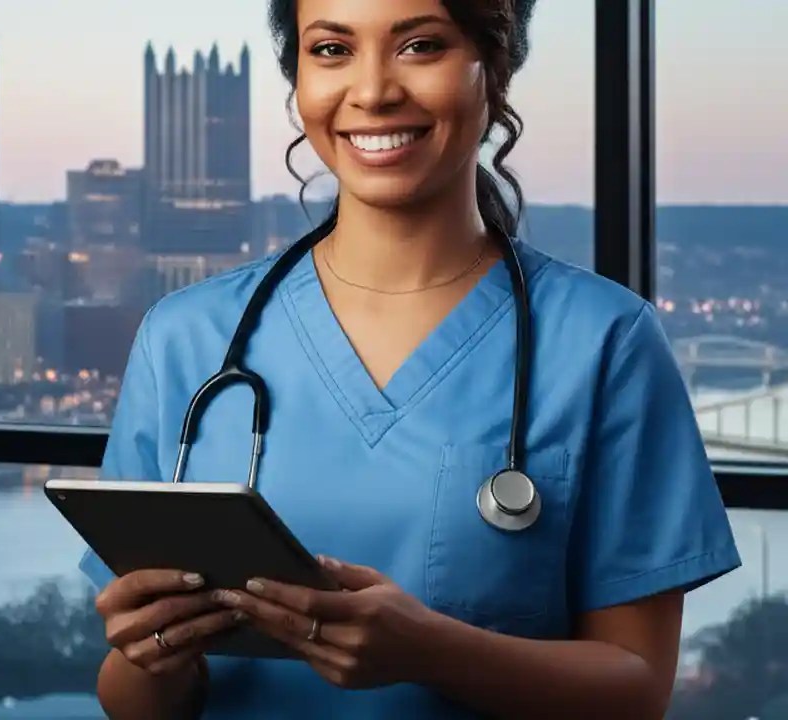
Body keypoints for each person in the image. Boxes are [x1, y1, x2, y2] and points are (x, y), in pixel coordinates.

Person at [77, 0, 743, 717]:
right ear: (296, 79)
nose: (373, 91)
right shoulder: (185, 339)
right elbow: (130, 701)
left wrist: (429, 651)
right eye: (331, 51)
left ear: (496, 67)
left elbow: (636, 692)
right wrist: (151, 658)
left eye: (421, 45)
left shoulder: (605, 341)